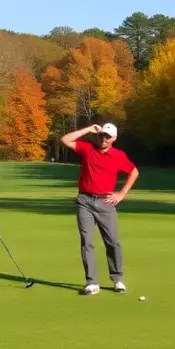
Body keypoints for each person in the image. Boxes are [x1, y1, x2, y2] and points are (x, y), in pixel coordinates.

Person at [61, 123, 139, 295]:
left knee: (112, 242)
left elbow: (134, 172)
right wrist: (88, 129)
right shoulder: (87, 149)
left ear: (114, 139)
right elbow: (65, 140)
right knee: (87, 242)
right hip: (85, 201)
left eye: (107, 137)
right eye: (102, 135)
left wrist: (121, 194)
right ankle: (92, 282)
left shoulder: (119, 156)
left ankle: (117, 278)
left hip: (106, 202)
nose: (103, 139)